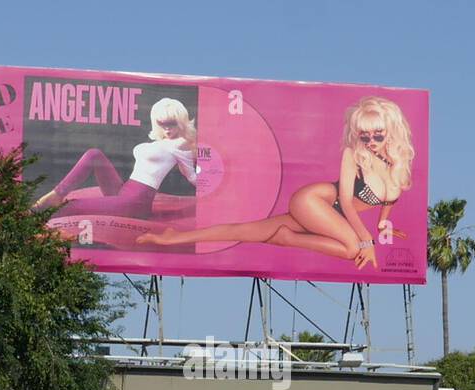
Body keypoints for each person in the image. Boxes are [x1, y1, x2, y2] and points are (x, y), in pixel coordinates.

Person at [137, 96, 415, 270]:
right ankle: (288, 239)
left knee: (247, 231)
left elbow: (388, 200)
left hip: (329, 215)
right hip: (315, 202)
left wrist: (382, 224)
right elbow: (345, 201)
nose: (370, 142)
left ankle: (174, 237)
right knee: (353, 247)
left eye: (377, 135)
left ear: (391, 132)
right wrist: (367, 240)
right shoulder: (353, 154)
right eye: (364, 136)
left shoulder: (398, 165)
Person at [33, 97, 197, 218]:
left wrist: (212, 179)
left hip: (136, 203)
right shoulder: (161, 141)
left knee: (72, 206)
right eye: (163, 123)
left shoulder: (181, 144)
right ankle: (57, 194)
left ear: (181, 121)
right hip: (123, 191)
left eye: (172, 123)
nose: (167, 129)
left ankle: (34, 219)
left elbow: (193, 177)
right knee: (94, 154)